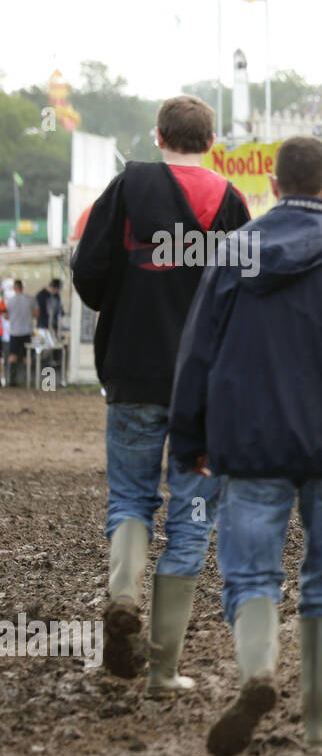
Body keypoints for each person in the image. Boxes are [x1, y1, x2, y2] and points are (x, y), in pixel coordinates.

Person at [170, 136, 322, 756]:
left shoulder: (233, 253)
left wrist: (190, 437)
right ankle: (319, 727)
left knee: (250, 576)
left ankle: (256, 677)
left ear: (273, 185)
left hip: (246, 447)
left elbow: (197, 352)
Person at [72, 95, 250, 689]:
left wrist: (120, 306)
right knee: (193, 518)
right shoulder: (230, 202)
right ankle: (162, 670)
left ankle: (123, 592)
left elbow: (88, 268)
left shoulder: (125, 188)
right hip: (208, 388)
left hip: (132, 370)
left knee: (129, 498)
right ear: (212, 141)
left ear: (158, 135)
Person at [4, 280, 36, 383]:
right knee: (27, 357)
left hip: (14, 333)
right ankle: (27, 379)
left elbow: (6, 316)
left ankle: (11, 380)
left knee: (13, 356)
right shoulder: (30, 299)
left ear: (14, 288)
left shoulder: (10, 301)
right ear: (22, 287)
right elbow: (37, 313)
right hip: (27, 331)